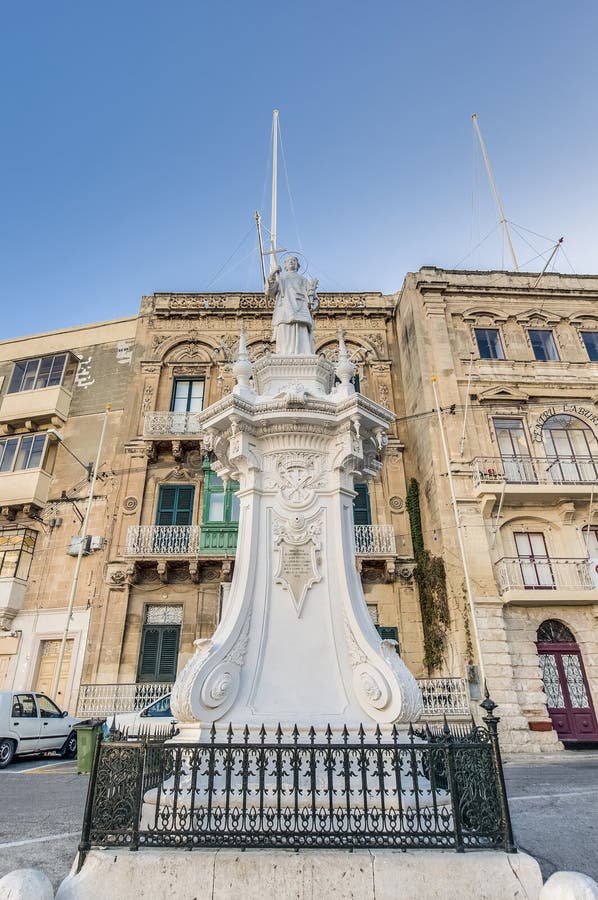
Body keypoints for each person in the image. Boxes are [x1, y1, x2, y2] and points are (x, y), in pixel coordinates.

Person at [266, 256, 319, 355]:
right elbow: (270, 292)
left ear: (297, 265)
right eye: (289, 261)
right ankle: (285, 353)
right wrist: (272, 274)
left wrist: (313, 304)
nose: (291, 262)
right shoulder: (280, 277)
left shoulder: (303, 279)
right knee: (285, 332)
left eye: (294, 260)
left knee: (302, 332)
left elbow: (312, 296)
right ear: (285, 266)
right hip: (285, 308)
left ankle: (303, 352)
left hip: (301, 308)